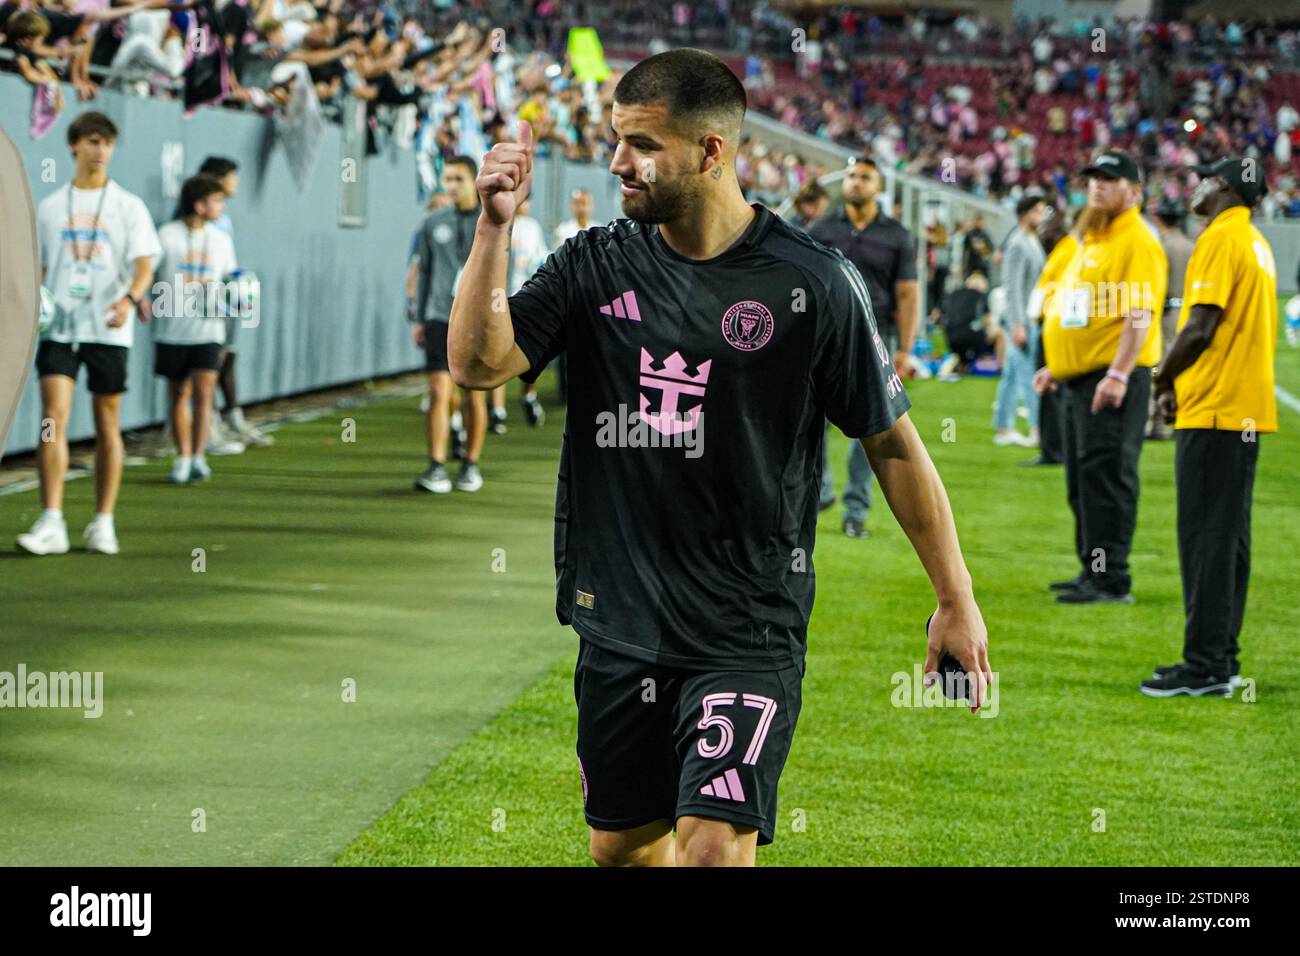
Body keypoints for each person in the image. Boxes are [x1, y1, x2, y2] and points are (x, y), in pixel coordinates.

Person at [448, 49, 991, 868]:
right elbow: (478, 363)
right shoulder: (594, 264)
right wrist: (493, 227)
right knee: (621, 848)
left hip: (747, 623)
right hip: (620, 617)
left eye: (641, 144)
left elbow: (892, 443)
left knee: (710, 850)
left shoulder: (811, 284)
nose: (618, 163)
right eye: (616, 139)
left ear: (711, 152)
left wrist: (956, 597)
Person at [1142, 158, 1277, 697]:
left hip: (1218, 411)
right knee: (1227, 539)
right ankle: (1220, 657)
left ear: (1221, 186)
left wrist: (1160, 377)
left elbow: (1199, 326)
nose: (1192, 187)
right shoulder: (1255, 241)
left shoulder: (1220, 237)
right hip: (1239, 408)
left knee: (1205, 540)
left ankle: (1205, 666)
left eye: (1202, 178)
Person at [17, 111, 160, 556]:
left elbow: (144, 263)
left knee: (107, 421)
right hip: (60, 327)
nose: (101, 151)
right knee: (52, 418)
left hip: (108, 328)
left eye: (108, 144)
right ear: (74, 146)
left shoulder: (128, 206)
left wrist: (131, 298)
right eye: (93, 142)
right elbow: (36, 267)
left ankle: (103, 521)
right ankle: (52, 520)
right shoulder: (50, 206)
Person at [1035, 150, 1166, 604]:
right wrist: (1059, 365)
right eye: (1092, 178)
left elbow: (1139, 313)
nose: (1097, 186)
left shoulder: (1137, 240)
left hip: (1109, 379)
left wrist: (1118, 373)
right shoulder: (1095, 238)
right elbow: (1081, 310)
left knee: (1107, 476)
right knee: (1083, 479)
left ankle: (1112, 579)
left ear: (1135, 191)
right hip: (1080, 377)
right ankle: (1090, 569)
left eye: (1109, 180)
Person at [808, 156, 919, 537]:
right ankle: (819, 490)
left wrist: (905, 347)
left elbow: (907, 294)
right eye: (852, 176)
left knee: (873, 430)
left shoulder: (897, 235)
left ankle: (856, 510)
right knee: (810, 419)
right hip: (823, 335)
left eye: (864, 177)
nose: (855, 183)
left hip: (877, 337)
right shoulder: (821, 229)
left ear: (879, 188)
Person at [151, 174, 237, 483]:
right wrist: (144, 300)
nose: (222, 207)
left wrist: (238, 302)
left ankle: (199, 455)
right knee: (177, 393)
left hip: (209, 328)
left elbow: (231, 280)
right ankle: (183, 456)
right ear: (199, 204)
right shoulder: (166, 235)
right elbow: (148, 271)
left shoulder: (221, 239)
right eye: (216, 200)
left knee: (204, 392)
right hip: (173, 328)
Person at [412, 155, 485, 494]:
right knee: (438, 391)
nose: (451, 186)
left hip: (478, 321)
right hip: (440, 318)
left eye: (458, 179)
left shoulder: (493, 221)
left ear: (473, 181)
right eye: (447, 179)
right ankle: (436, 466)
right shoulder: (432, 223)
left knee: (473, 396)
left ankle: (470, 465)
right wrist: (419, 317)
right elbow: (423, 271)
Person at [199, 155, 271, 450]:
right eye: (232, 176)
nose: (236, 183)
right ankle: (209, 423)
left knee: (228, 355)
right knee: (208, 361)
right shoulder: (202, 219)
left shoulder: (223, 217)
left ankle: (232, 416)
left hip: (227, 298)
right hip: (204, 302)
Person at [1021, 207, 1075, 467]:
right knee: (1048, 392)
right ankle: (1052, 447)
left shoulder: (1068, 250)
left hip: (1057, 327)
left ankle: (1054, 450)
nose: (1040, 234)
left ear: (1057, 230)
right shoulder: (1060, 251)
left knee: (1052, 392)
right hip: (1048, 325)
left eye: (1045, 229)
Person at [992, 194, 1046, 447]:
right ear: (1025, 214)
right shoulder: (1017, 243)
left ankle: (1003, 428)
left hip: (1027, 317)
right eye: (1038, 211)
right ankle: (1037, 428)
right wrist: (1017, 324)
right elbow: (1011, 287)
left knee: (1012, 376)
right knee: (1028, 376)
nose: (1042, 215)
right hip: (1022, 319)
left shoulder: (1030, 240)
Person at [1145, 196, 1195, 440]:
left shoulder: (1161, 246)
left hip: (1165, 311)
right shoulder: (1190, 244)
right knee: (1183, 366)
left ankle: (1156, 424)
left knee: (1159, 366)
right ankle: (1181, 420)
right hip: (1188, 312)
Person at [506, 197, 550, 431]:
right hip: (500, 298)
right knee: (496, 350)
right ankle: (496, 409)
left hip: (527, 296)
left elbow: (540, 259)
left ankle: (528, 394)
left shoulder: (532, 227)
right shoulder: (498, 221)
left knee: (533, 353)